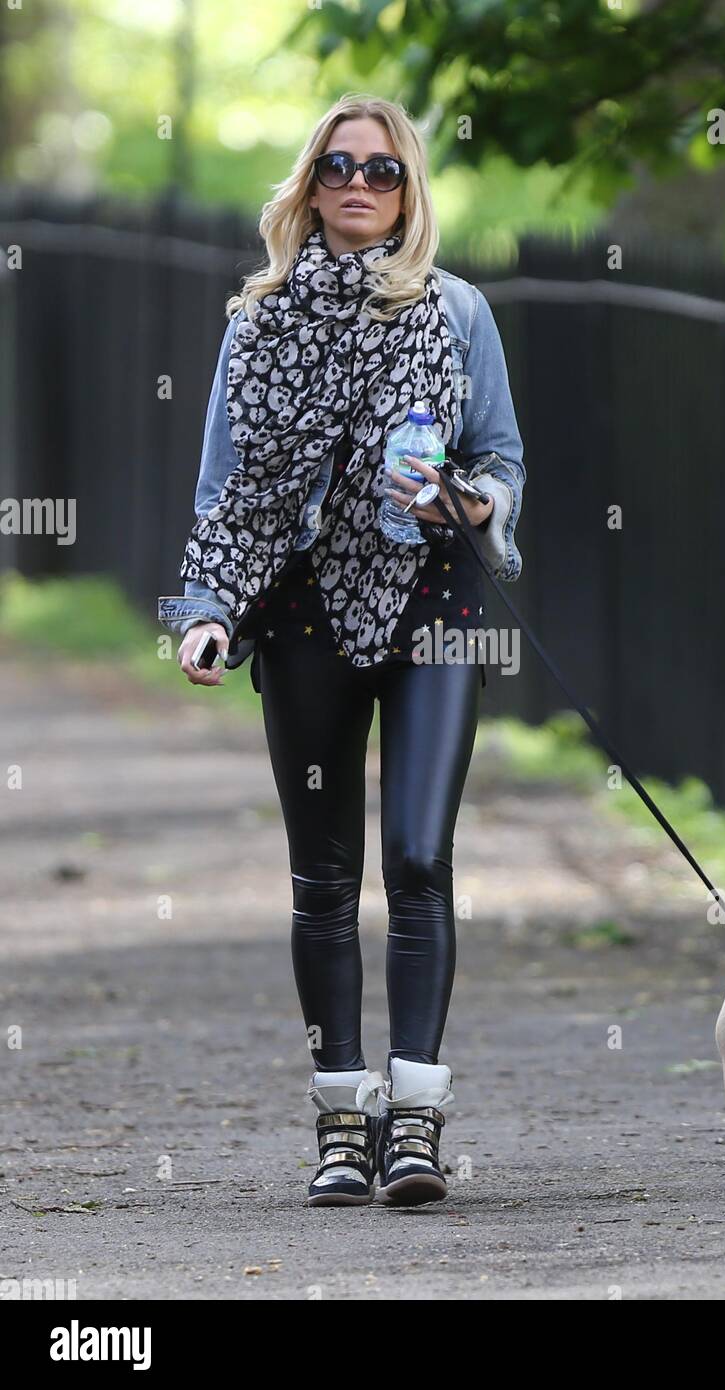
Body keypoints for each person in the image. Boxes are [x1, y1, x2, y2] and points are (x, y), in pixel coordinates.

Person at [157, 94, 525, 1207]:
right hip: (306, 615)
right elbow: (226, 490)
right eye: (338, 167)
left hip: (430, 607)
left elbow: (503, 457)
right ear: (309, 185)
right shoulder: (257, 320)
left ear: (411, 190)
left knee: (418, 859)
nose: (360, 185)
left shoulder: (457, 312)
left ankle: (414, 1119)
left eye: (383, 171)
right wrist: (209, 606)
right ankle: (340, 1119)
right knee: (323, 881)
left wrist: (469, 499)